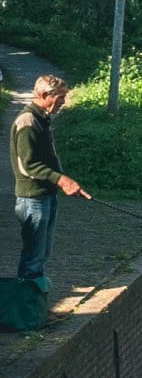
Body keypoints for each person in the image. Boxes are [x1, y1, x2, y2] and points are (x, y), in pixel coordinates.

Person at [13, 73, 89, 283]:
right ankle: (25, 309)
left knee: (42, 254)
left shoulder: (42, 119)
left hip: (46, 196)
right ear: (45, 94)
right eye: (61, 98)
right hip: (32, 199)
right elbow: (28, 164)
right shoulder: (28, 121)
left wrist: (65, 181)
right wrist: (62, 180)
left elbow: (48, 158)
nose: (64, 102)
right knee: (33, 258)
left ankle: (34, 305)